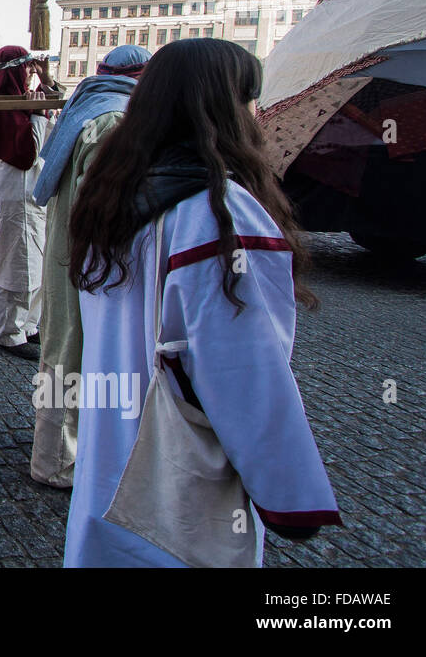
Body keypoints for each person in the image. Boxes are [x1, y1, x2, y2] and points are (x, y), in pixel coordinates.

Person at [64, 38, 341, 567]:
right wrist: (289, 495)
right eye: (250, 100)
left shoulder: (110, 197)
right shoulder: (217, 216)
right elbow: (243, 371)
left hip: (108, 454)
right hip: (176, 490)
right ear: (227, 109)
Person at [28, 44, 150, 489]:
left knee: (63, 349)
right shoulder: (113, 119)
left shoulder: (89, 105)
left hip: (69, 250)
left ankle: (58, 450)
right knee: (71, 354)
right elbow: (100, 205)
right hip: (87, 257)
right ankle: (57, 460)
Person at [0, 47, 59, 360]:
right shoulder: (4, 104)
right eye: (27, 68)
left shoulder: (24, 99)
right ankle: (9, 331)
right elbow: (26, 152)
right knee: (20, 260)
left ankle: (28, 324)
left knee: (36, 260)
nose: (31, 73)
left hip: (30, 188)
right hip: (17, 184)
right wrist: (37, 117)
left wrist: (47, 82)